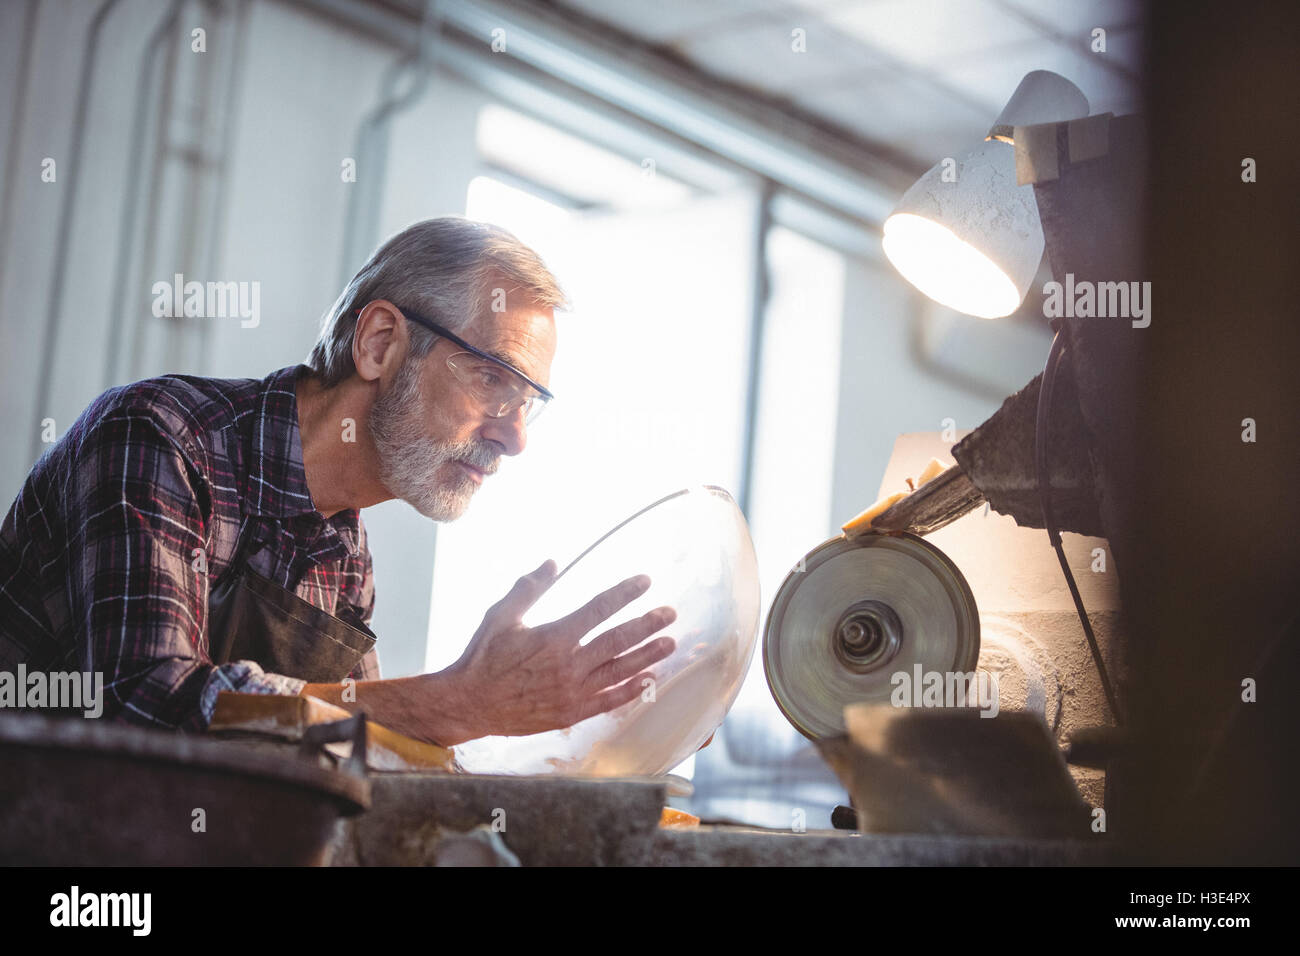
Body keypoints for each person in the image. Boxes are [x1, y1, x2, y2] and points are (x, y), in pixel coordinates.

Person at [0, 218, 676, 744]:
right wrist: (461, 700)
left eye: (529, 403)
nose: (515, 436)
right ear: (380, 342)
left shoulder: (345, 555)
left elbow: (355, 749)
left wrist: (539, 727)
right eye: (493, 379)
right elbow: (146, 701)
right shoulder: (162, 437)